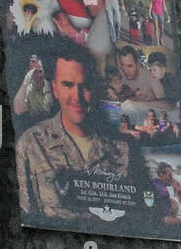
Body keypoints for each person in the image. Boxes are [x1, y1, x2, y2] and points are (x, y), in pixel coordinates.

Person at [16, 44, 131, 220]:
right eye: (68, 85)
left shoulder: (121, 149)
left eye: (84, 86)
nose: (77, 96)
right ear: (55, 89)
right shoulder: (31, 144)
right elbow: (22, 216)